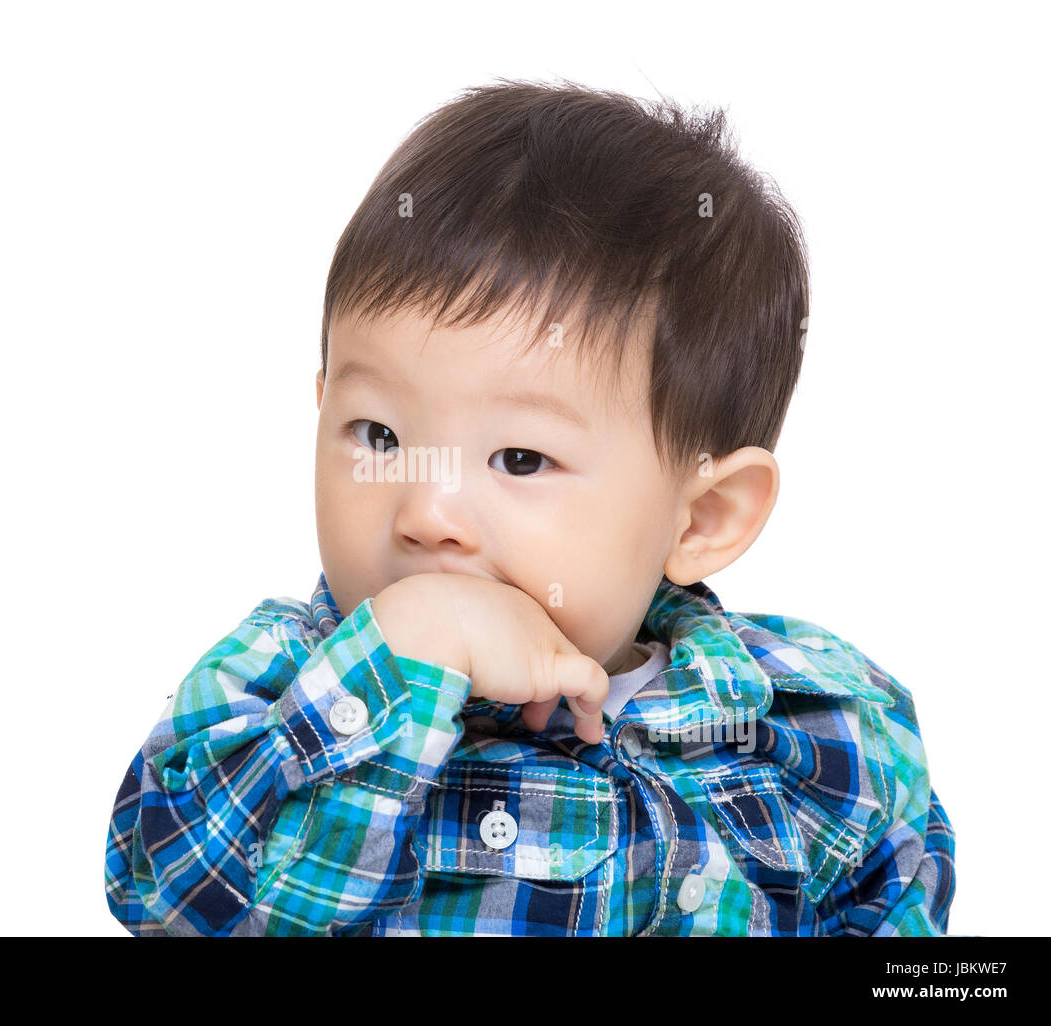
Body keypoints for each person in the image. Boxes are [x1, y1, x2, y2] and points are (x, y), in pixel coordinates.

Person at [103, 79, 955, 936]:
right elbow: (172, 896)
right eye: (379, 434)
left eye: (519, 458)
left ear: (703, 518)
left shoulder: (813, 721)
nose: (426, 508)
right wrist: (407, 658)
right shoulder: (266, 695)